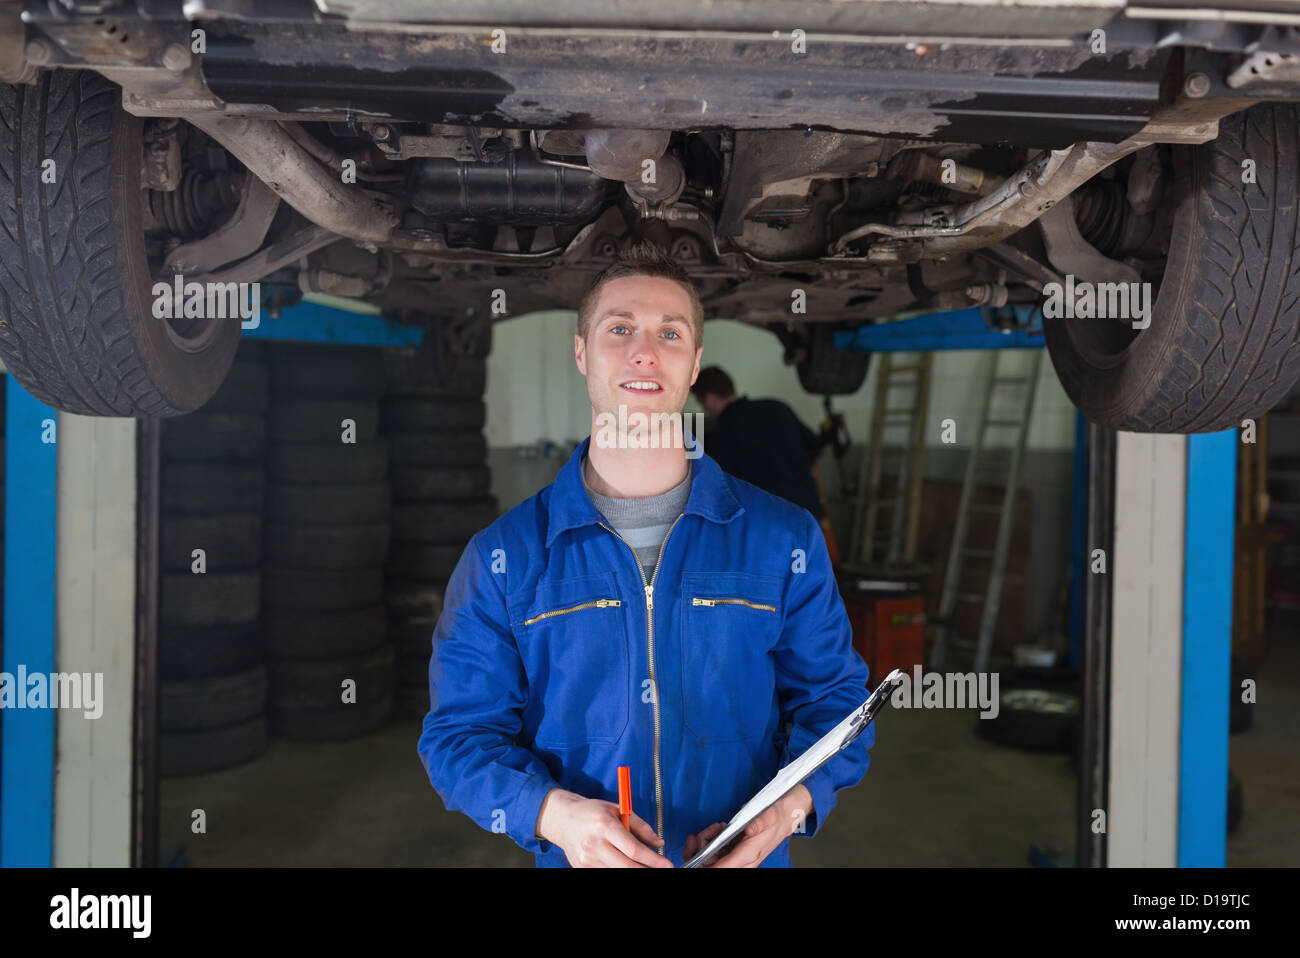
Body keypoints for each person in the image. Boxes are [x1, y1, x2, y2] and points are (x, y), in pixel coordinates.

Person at [417, 242, 872, 868]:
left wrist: (791, 806)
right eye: (620, 328)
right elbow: (458, 738)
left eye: (670, 333)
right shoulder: (504, 558)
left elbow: (836, 702)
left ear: (695, 363)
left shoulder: (784, 539)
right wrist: (556, 816)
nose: (644, 351)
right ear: (582, 352)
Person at [690, 367, 828, 520]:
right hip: (809, 513)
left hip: (771, 523)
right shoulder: (777, 407)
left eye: (701, 402)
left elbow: (718, 488)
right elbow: (814, 448)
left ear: (709, 398)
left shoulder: (723, 433)